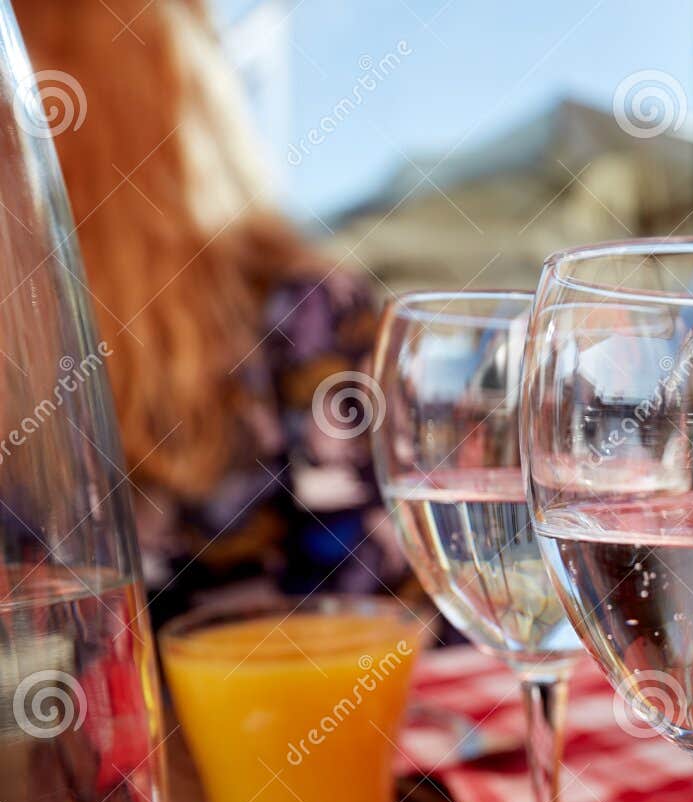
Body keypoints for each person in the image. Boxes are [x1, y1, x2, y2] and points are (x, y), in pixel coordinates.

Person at [14, 0, 404, 622]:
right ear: (197, 95)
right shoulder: (306, 306)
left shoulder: (298, 308)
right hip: (292, 708)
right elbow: (386, 598)